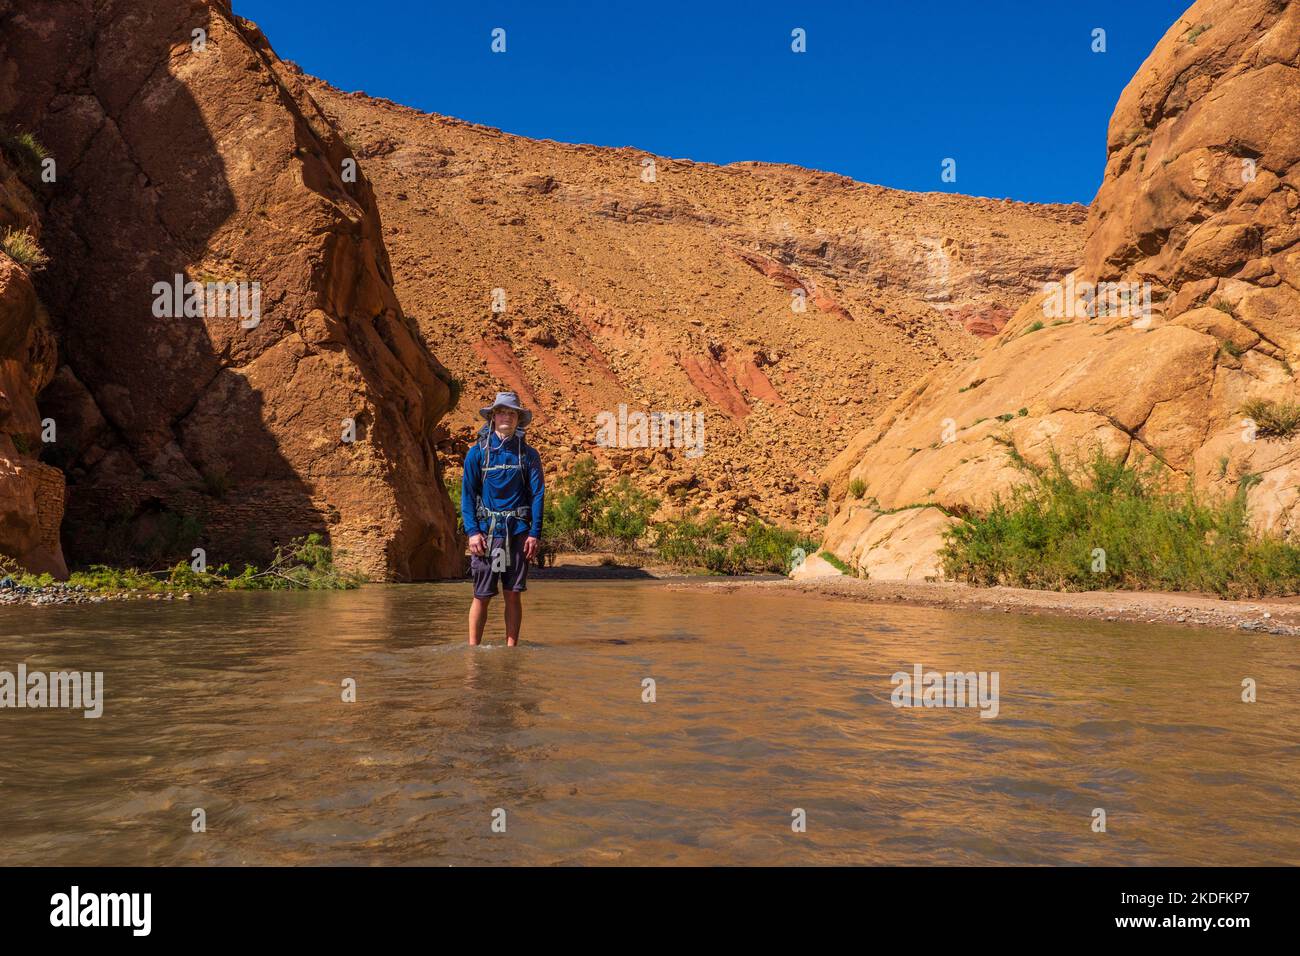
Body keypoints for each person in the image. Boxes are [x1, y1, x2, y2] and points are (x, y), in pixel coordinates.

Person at [461, 391, 544, 647]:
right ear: (493, 417)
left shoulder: (529, 455)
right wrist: (472, 531)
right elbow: (467, 494)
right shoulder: (476, 454)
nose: (506, 416)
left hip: (518, 533)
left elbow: (538, 494)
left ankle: (511, 651)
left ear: (518, 419)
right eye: (502, 412)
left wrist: (534, 533)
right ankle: (473, 652)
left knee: (513, 595)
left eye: (512, 413)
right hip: (486, 535)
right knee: (481, 595)